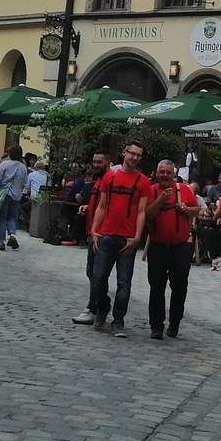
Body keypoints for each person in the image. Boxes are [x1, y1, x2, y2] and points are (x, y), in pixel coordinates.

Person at [74, 142, 151, 336]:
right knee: (98, 277)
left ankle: (118, 321)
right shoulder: (110, 177)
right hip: (106, 235)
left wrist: (137, 237)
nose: (134, 158)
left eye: (138, 156)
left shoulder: (142, 181)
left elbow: (141, 211)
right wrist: (94, 231)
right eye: (132, 154)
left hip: (127, 238)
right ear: (124, 153)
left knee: (124, 283)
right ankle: (103, 306)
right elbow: (101, 206)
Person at [142, 159, 198, 340]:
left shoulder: (184, 190)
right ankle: (156, 325)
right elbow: (146, 216)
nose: (165, 175)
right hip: (158, 248)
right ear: (156, 174)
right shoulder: (151, 192)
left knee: (180, 287)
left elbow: (197, 210)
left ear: (174, 175)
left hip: (180, 248)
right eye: (162, 172)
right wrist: (160, 200)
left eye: (168, 172)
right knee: (156, 286)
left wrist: (186, 209)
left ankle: (175, 322)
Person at [0, 147, 27, 250]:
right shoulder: (23, 167)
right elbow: (25, 183)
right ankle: (12, 235)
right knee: (12, 217)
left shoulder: (4, 164)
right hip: (17, 195)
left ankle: (1, 242)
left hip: (4, 194)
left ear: (9, 154)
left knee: (2, 217)